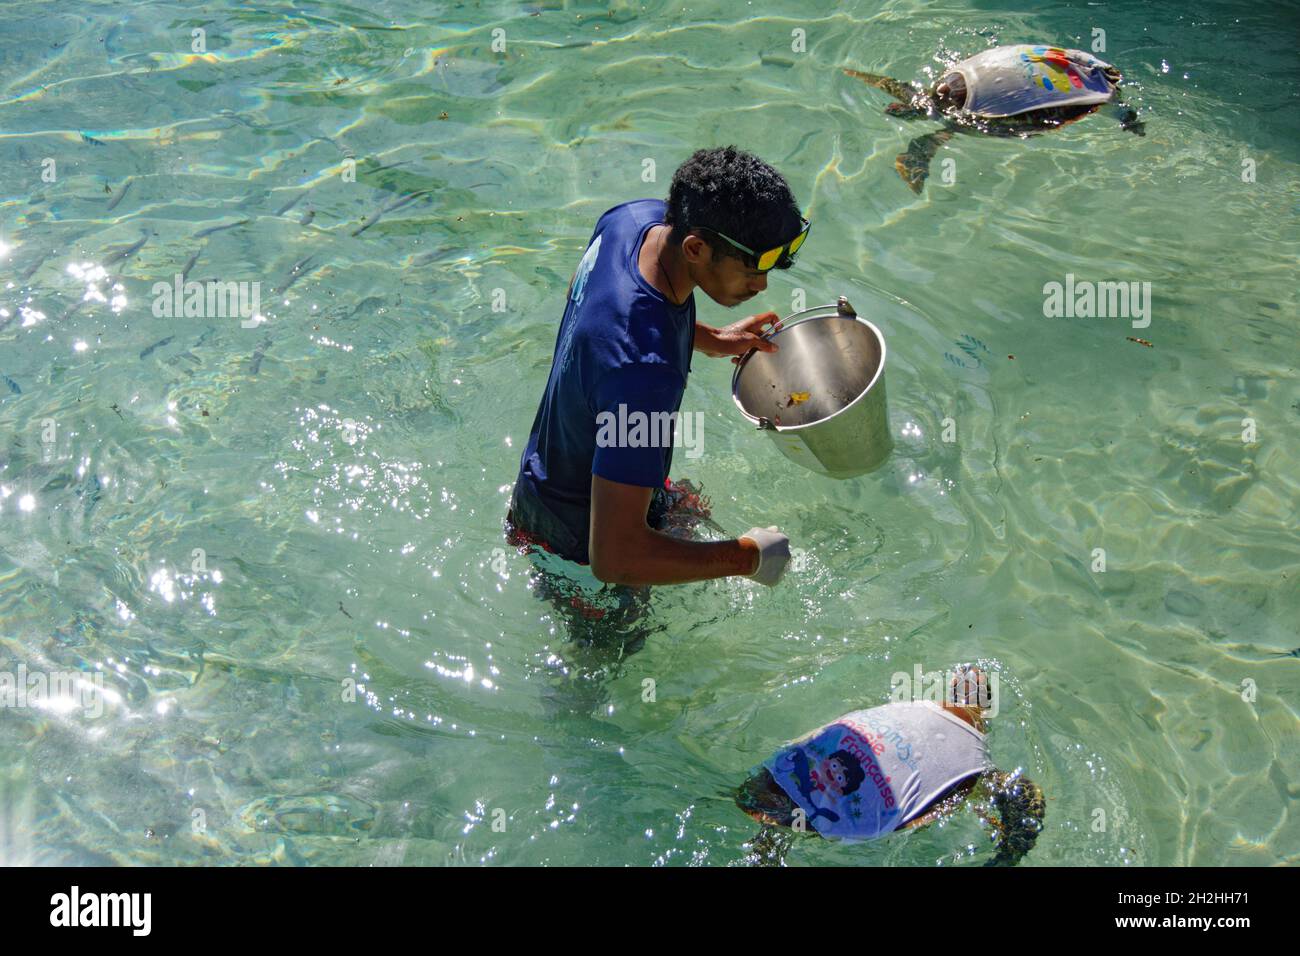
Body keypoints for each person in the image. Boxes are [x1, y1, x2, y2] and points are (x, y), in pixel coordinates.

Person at [506, 146, 812, 589]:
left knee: (688, 507)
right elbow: (615, 559)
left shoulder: (632, 222)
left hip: (542, 484)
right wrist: (749, 557)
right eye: (751, 269)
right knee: (611, 654)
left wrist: (707, 338)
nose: (761, 285)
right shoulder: (645, 377)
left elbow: (585, 297)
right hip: (572, 545)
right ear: (696, 247)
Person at [734, 666, 1046, 866]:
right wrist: (1009, 854)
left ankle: (771, 839)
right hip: (836, 820)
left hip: (775, 777)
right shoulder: (977, 770)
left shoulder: (915, 708)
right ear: (986, 711)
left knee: (783, 817)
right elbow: (1027, 801)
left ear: (954, 687)